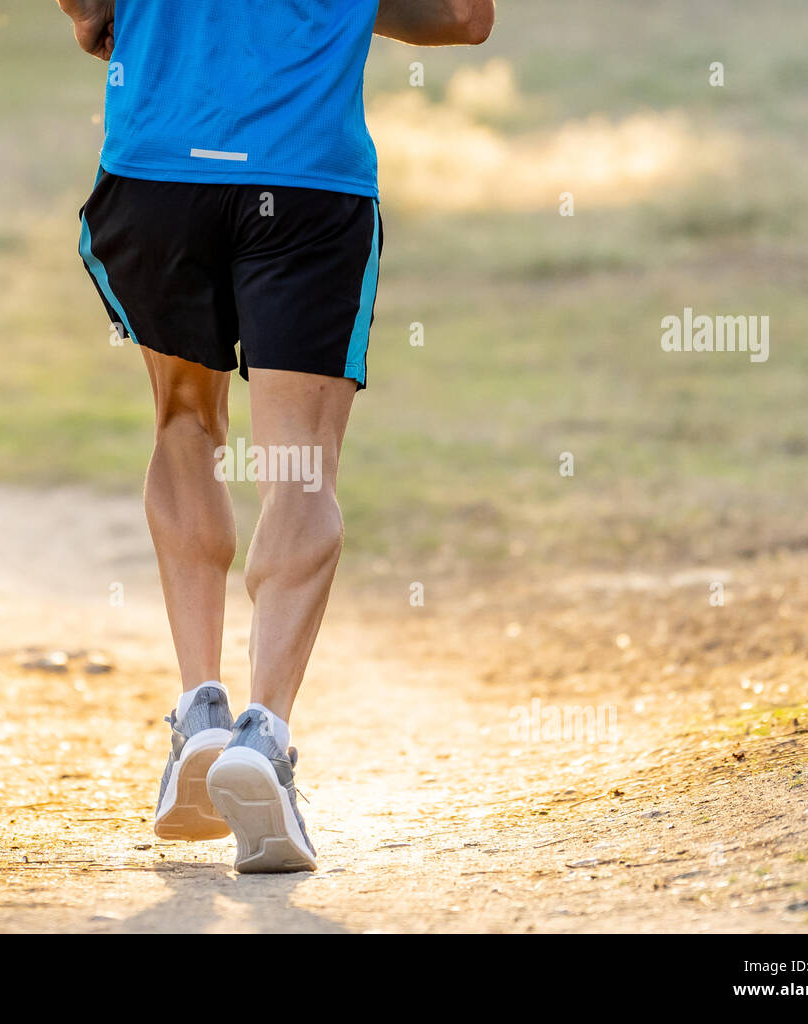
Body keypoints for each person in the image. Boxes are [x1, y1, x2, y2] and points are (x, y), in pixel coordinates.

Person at [58, 0, 494, 873]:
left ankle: (198, 714)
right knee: (299, 466)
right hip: (305, 178)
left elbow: (88, 8)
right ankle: (264, 733)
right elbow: (462, 16)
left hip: (160, 168)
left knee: (185, 423)